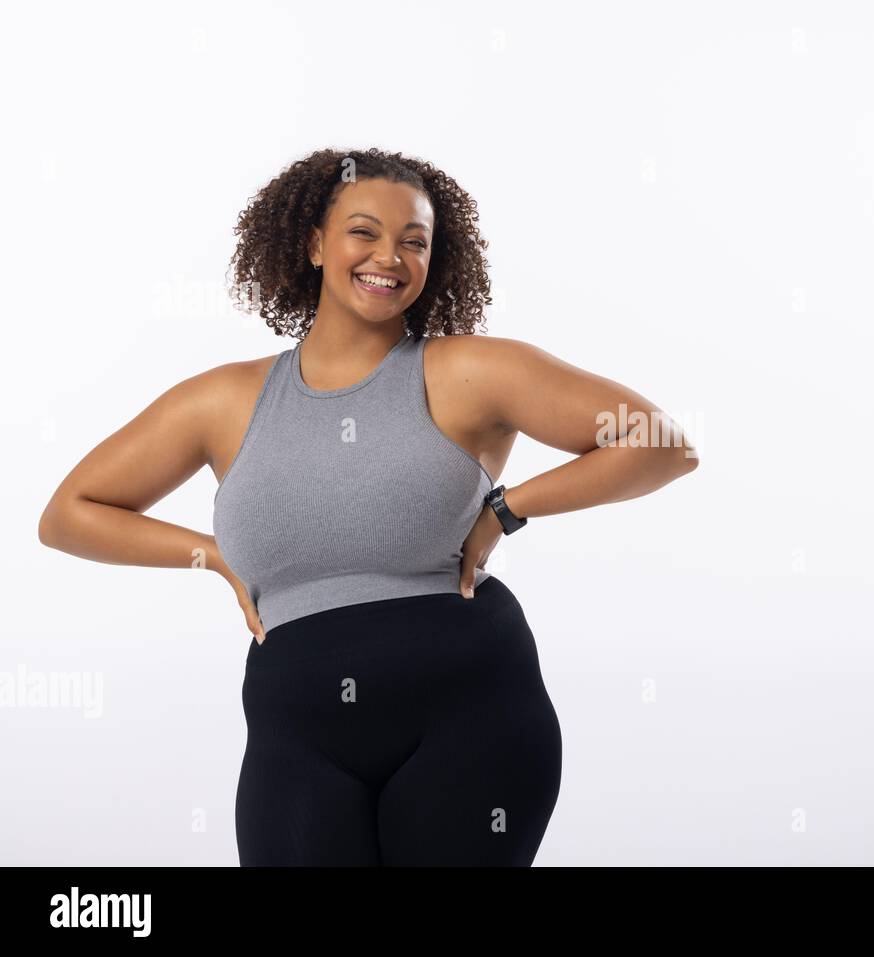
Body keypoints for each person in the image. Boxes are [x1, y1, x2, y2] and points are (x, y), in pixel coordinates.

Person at [37, 147, 700, 866]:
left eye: (414, 240)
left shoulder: (471, 371)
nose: (391, 255)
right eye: (364, 232)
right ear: (315, 244)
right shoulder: (223, 400)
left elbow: (662, 443)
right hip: (297, 735)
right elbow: (69, 511)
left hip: (470, 714)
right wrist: (215, 555)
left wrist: (506, 508)